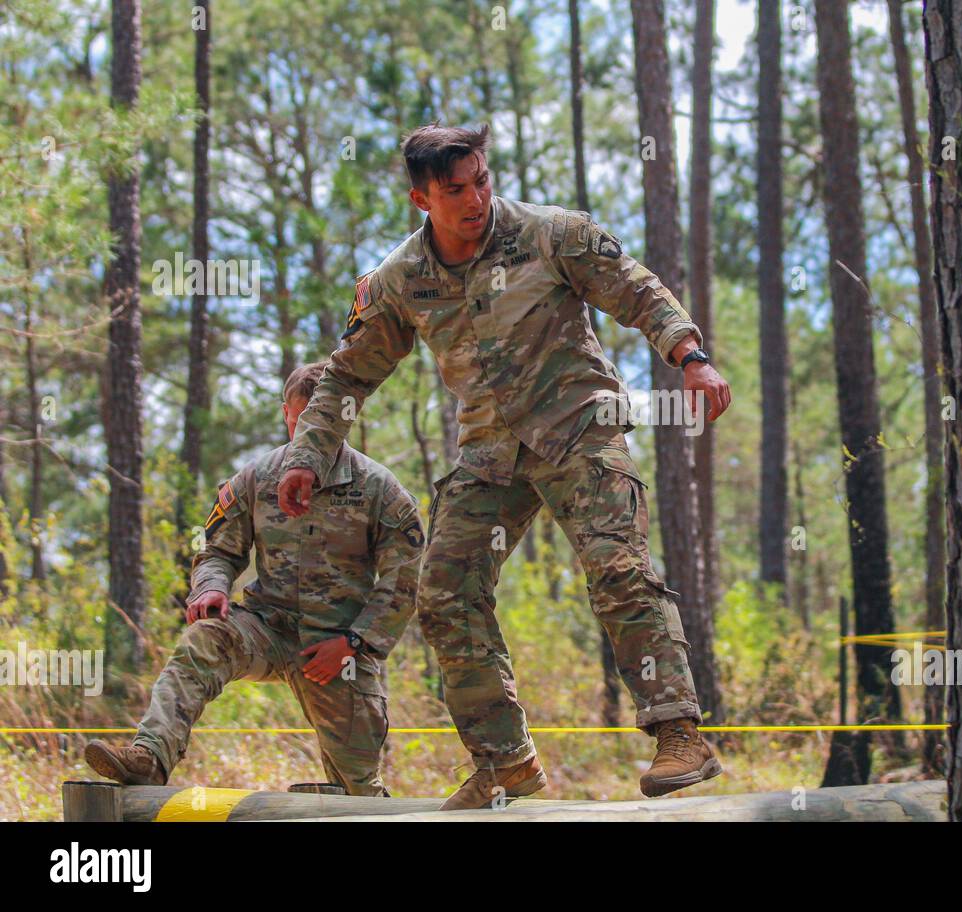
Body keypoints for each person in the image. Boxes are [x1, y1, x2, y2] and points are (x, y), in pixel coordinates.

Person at [277, 123, 733, 809]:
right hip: (490, 450)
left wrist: (690, 358)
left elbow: (636, 289)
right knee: (444, 593)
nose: (475, 199)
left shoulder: (553, 233)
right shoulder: (400, 280)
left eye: (482, 179)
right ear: (421, 199)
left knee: (617, 570)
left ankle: (679, 735)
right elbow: (346, 377)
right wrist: (308, 455)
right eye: (456, 189)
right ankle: (505, 763)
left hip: (580, 427)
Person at [85, 362, 423, 796]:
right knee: (205, 639)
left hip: (337, 645)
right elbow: (217, 551)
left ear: (345, 420)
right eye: (301, 421)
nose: (309, 435)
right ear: (286, 414)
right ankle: (149, 757)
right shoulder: (257, 478)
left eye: (323, 423)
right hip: (267, 628)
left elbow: (403, 581)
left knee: (358, 789)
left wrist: (356, 642)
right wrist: (210, 586)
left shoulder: (379, 489)